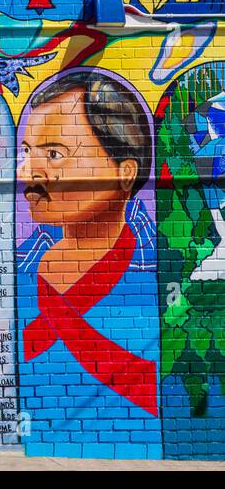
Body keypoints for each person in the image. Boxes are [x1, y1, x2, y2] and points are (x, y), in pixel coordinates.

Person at [16, 70, 161, 456]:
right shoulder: (19, 269)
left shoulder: (157, 272)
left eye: (54, 154)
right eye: (27, 152)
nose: (26, 173)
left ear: (124, 173)